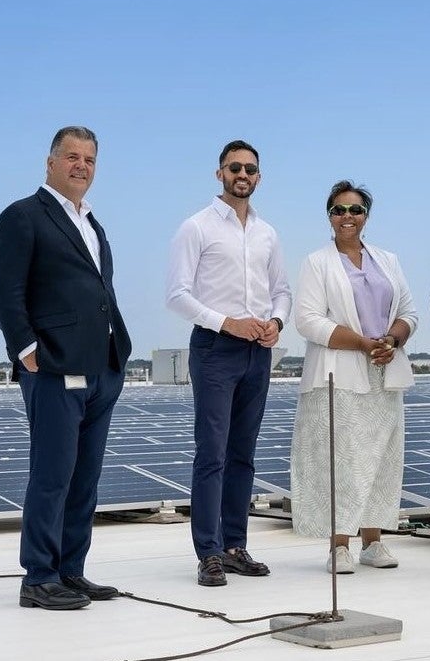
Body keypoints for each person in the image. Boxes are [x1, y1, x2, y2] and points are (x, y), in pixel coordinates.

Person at [0, 126, 132, 610]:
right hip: (52, 368)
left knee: (85, 477)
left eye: (90, 159)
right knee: (52, 475)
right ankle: (39, 577)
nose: (81, 166)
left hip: (102, 369)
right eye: (71, 157)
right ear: (50, 162)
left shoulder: (94, 224)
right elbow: (5, 291)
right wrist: (26, 350)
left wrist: (117, 359)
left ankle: (71, 570)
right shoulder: (23, 216)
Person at [166, 139, 292, 587]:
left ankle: (236, 545)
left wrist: (277, 321)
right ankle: (209, 552)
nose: (243, 174)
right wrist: (226, 324)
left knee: (244, 454)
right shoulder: (196, 227)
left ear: (259, 177)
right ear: (219, 173)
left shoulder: (268, 233)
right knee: (212, 453)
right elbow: (178, 295)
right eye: (235, 167)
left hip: (259, 351)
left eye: (251, 169)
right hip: (216, 350)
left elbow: (282, 290)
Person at [292, 180, 418, 573]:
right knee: (340, 460)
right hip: (339, 374)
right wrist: (364, 343)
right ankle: (339, 545)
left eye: (355, 210)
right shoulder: (317, 262)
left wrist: (392, 341)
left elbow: (409, 312)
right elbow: (308, 320)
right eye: (339, 210)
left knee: (381, 459)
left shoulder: (388, 260)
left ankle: (373, 541)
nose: (348, 217)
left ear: (367, 215)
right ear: (329, 216)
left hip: (385, 372)